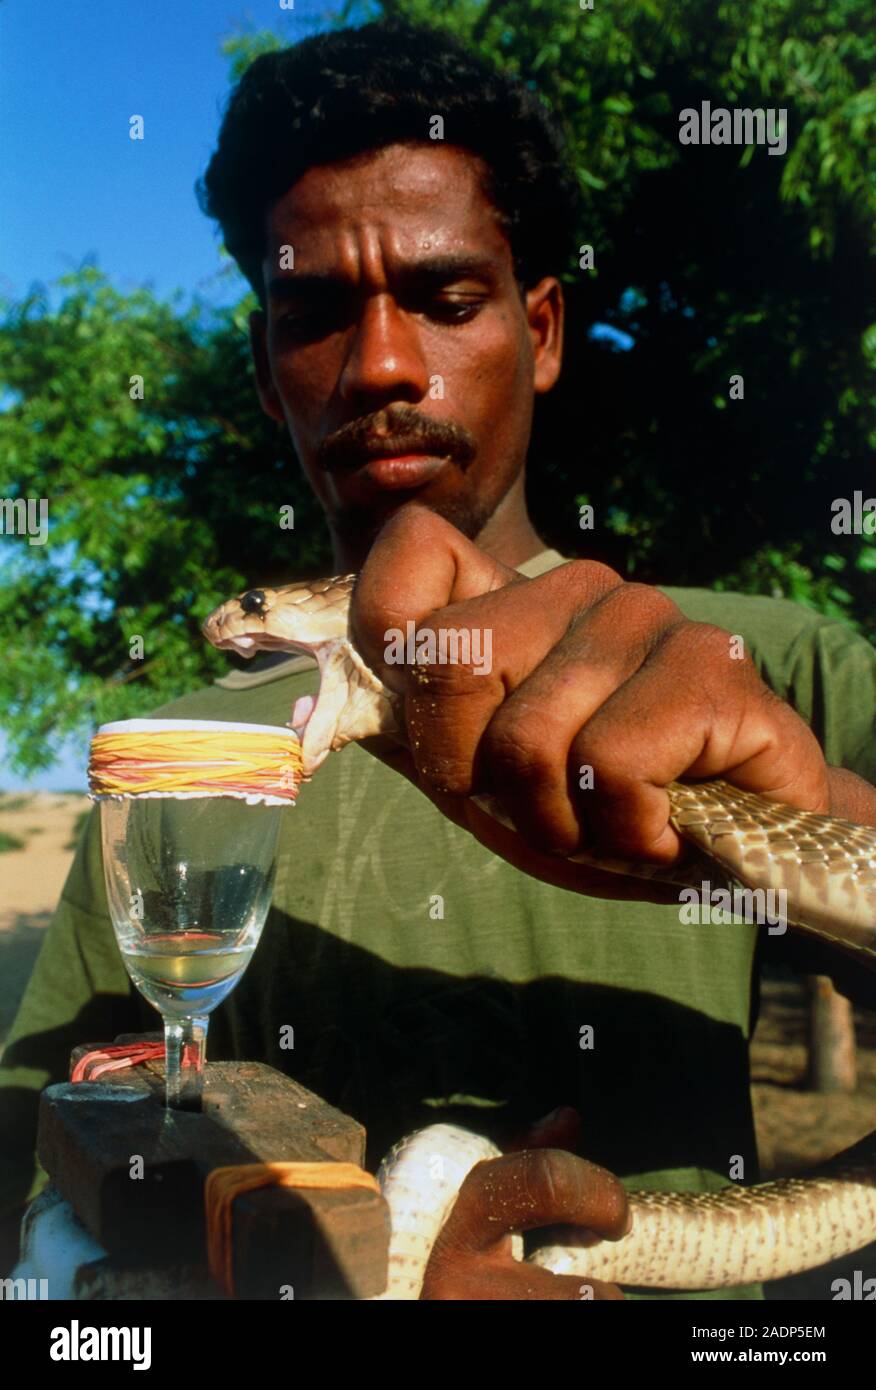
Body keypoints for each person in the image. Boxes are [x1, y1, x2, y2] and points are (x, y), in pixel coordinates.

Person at [2, 19, 875, 1300]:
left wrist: (818, 824)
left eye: (447, 299)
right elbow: (52, 1209)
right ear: (263, 375)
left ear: (545, 328)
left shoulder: (779, 666)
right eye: (311, 316)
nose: (383, 366)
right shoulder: (186, 755)